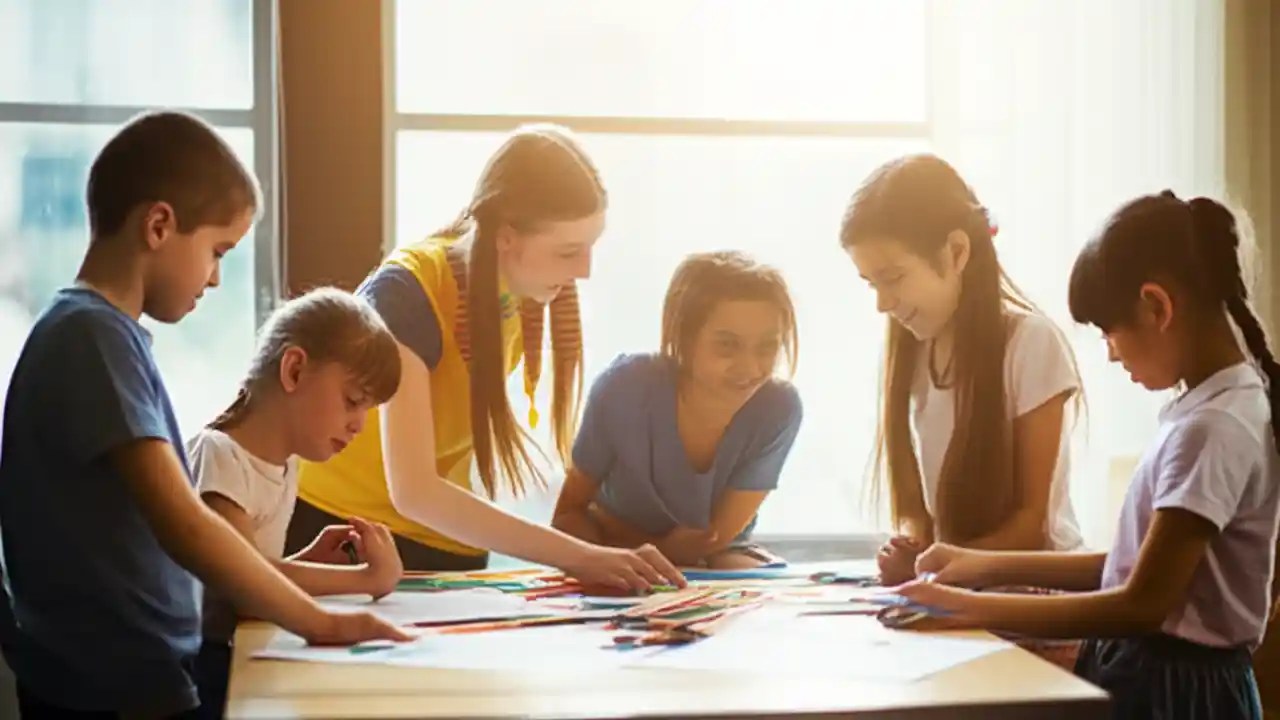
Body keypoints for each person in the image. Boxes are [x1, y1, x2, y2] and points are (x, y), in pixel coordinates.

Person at [0, 111, 408, 719]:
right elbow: (186, 525)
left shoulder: (102, 335)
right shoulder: (92, 337)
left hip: (122, 679)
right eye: (217, 251)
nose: (216, 278)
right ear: (159, 225)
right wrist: (321, 621)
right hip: (113, 691)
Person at [901, 192, 1278, 720]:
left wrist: (966, 607)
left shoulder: (1214, 426)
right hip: (1152, 671)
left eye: (1109, 331)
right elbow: (1132, 567)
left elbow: (1140, 604)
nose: (1110, 352)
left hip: (1175, 692)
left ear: (1157, 307)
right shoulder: (1206, 409)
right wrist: (979, 567)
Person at [288, 124, 682, 590]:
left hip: (439, 542)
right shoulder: (408, 292)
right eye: (569, 251)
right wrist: (581, 556)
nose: (585, 270)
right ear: (506, 238)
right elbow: (413, 491)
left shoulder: (511, 291)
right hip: (340, 533)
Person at [840, 154, 1083, 585]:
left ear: (956, 252)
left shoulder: (1030, 343)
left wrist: (929, 566)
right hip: (957, 592)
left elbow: (1033, 526)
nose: (882, 303)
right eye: (871, 283)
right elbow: (929, 519)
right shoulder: (914, 349)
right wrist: (914, 549)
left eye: (892, 277)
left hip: (1034, 596)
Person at [189, 287, 408, 719]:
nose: (359, 425)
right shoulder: (220, 454)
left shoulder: (286, 466)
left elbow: (254, 566)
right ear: (294, 369)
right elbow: (245, 588)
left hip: (241, 653)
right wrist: (367, 580)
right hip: (202, 668)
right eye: (352, 401)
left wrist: (310, 560)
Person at [552, 251, 802, 568]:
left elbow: (712, 538)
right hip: (609, 544)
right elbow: (567, 514)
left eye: (767, 347)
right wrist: (648, 547)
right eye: (726, 345)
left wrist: (669, 553)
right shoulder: (626, 386)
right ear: (683, 337)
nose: (750, 367)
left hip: (709, 553)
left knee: (745, 574)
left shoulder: (778, 408)